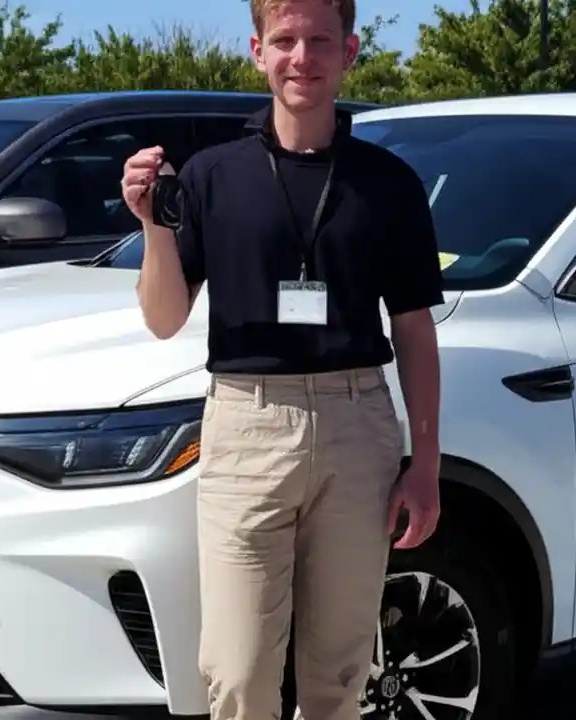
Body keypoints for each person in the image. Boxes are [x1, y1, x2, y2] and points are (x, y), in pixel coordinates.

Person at [119, 0, 444, 717]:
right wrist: (153, 227)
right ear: (257, 51)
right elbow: (166, 318)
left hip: (357, 424)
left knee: (337, 674)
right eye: (286, 40)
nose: (303, 57)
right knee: (236, 674)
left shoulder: (386, 183)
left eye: (320, 41)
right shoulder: (211, 177)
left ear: (349, 51)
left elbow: (415, 329)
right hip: (246, 427)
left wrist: (425, 465)